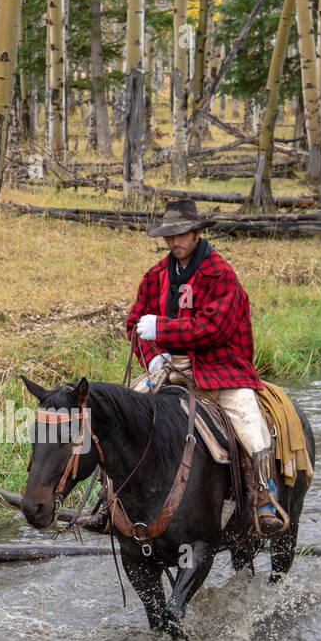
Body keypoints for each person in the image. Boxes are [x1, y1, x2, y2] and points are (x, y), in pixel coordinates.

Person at [124, 199, 287, 534]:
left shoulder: (221, 275)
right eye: (169, 237)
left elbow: (215, 328)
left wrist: (163, 329)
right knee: (124, 414)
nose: (174, 242)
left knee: (249, 420)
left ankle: (264, 498)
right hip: (169, 368)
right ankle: (114, 497)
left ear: (197, 233)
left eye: (181, 234)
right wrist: (152, 354)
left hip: (221, 367)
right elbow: (134, 324)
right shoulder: (155, 276)